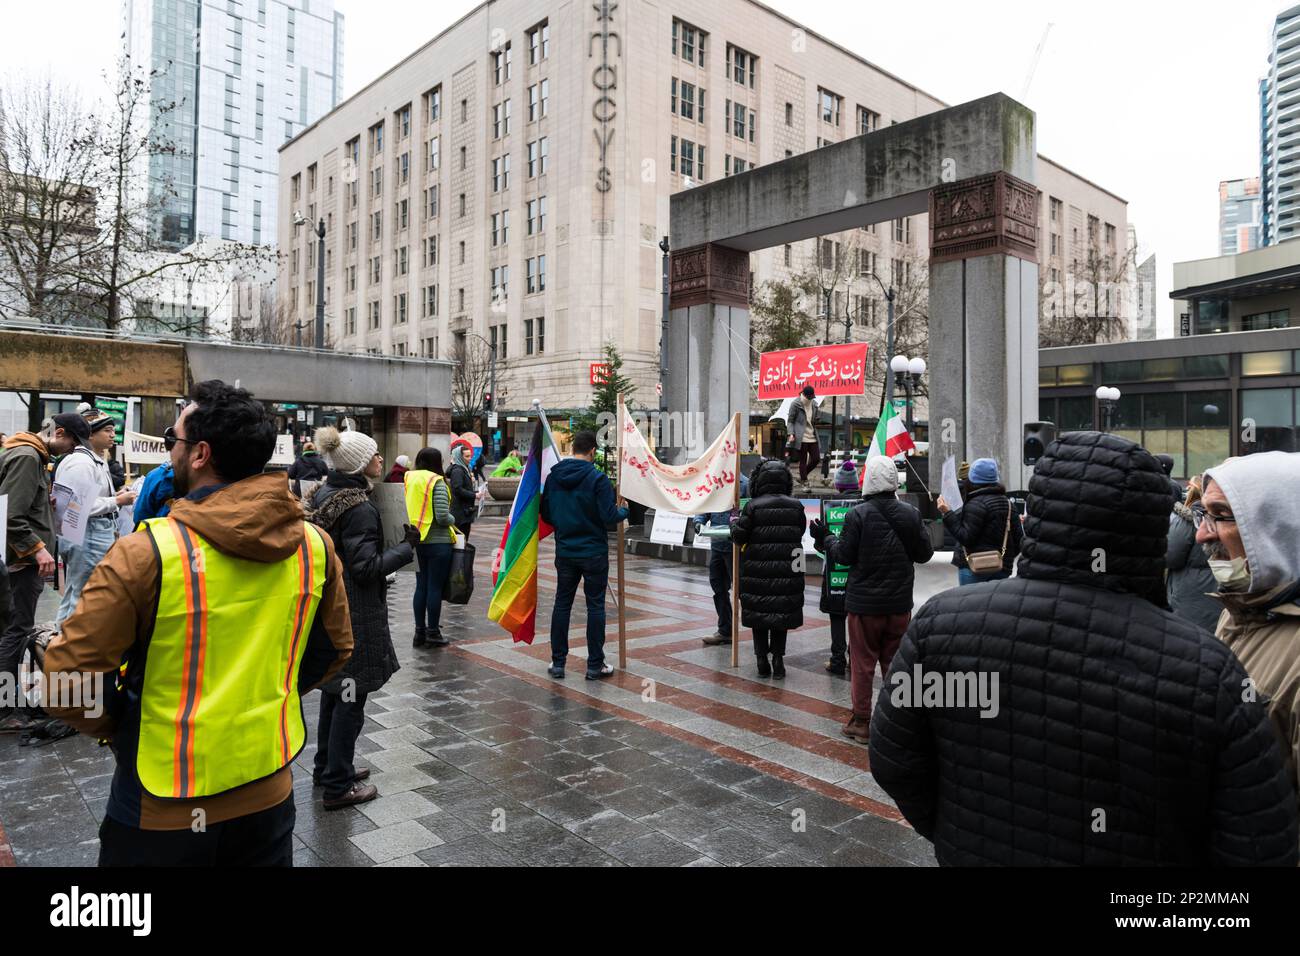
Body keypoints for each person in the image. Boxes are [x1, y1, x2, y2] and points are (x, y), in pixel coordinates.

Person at [867, 431, 1298, 865]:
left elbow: (894, 759)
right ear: (1149, 529)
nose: (1205, 535)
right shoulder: (1207, 669)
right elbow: (1258, 840)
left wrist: (956, 832)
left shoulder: (941, 626)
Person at [41, 381, 354, 865]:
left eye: (174, 438)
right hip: (268, 793)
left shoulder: (146, 553)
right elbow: (334, 651)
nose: (170, 450)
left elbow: (67, 682)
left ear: (201, 453)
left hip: (160, 807)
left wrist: (123, 726)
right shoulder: (313, 545)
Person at [308, 425, 415, 809]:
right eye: (374, 454)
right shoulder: (359, 507)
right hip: (355, 612)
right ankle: (338, 785)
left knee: (335, 692)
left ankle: (328, 767)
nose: (380, 458)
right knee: (351, 699)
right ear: (357, 465)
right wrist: (406, 549)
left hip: (332, 609)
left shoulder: (325, 493)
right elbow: (366, 567)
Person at [1197, 451, 1300, 819]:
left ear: (1281, 525)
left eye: (1221, 516)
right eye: (1203, 514)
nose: (1201, 534)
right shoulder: (1242, 606)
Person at [811, 456, 934, 740]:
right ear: (893, 481)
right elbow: (924, 555)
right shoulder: (910, 513)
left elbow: (843, 555)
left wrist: (826, 537)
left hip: (864, 608)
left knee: (863, 665)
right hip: (899, 606)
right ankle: (898, 719)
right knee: (896, 664)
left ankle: (862, 722)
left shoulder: (858, 514)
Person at [0, 414, 85, 734]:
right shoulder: (27, 456)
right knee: (16, 629)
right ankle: (5, 709)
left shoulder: (27, 453)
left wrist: (43, 504)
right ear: (58, 433)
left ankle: (10, 703)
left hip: (16, 559)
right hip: (20, 561)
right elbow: (10, 515)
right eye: (70, 444)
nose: (69, 452)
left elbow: (18, 504)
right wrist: (37, 548)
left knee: (14, 628)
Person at [540, 430, 627, 680]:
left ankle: (558, 663)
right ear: (592, 451)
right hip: (593, 552)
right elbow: (609, 516)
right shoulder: (598, 479)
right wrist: (624, 512)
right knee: (595, 606)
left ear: (573, 448)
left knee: (562, 603)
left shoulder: (554, 478)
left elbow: (546, 514)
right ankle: (594, 665)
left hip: (565, 550)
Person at [53, 415, 136, 627]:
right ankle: (69, 649)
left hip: (87, 531)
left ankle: (60, 642)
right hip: (88, 532)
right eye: (107, 430)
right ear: (90, 435)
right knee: (84, 594)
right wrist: (117, 500)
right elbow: (79, 506)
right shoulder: (82, 462)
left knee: (75, 590)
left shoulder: (89, 459)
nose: (112, 435)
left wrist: (115, 496)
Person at [731, 459, 806, 679]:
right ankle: (778, 659)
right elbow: (799, 531)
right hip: (787, 570)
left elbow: (739, 536)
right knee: (780, 616)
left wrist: (734, 521)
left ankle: (761, 660)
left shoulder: (752, 506)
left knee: (760, 616)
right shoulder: (796, 506)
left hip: (758, 571)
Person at [937, 457, 1022, 586]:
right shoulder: (1009, 504)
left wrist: (947, 513)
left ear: (972, 478)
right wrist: (1003, 557)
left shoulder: (974, 504)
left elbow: (965, 537)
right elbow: (1019, 540)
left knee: (970, 605)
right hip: (1002, 567)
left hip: (973, 567)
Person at [404, 447, 457, 648]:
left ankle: (419, 633)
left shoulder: (410, 478)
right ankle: (433, 632)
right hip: (438, 542)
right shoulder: (437, 482)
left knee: (421, 587)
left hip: (417, 540)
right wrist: (455, 519)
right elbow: (443, 516)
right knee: (435, 588)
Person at [696, 474, 749, 646]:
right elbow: (705, 508)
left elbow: (749, 512)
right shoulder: (714, 482)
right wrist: (698, 521)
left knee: (742, 590)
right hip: (717, 545)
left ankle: (759, 628)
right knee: (718, 587)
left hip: (736, 546)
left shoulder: (745, 484)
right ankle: (725, 630)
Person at [1165, 475, 1220, 634]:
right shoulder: (1227, 517)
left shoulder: (1186, 519)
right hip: (1217, 590)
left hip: (1189, 595)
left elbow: (1170, 556)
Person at [786, 386, 820, 487]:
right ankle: (805, 482)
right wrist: (791, 433)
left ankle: (802, 476)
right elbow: (790, 421)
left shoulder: (814, 404)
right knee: (803, 460)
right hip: (801, 437)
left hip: (812, 435)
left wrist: (817, 418)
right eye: (809, 397)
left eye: (812, 397)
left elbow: (813, 419)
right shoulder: (795, 404)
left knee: (816, 459)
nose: (810, 399)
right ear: (804, 395)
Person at [448, 437, 478, 541]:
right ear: (459, 457)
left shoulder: (464, 468)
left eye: (470, 455)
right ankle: (459, 557)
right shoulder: (458, 470)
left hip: (465, 511)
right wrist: (474, 495)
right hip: (460, 513)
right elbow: (458, 489)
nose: (470, 458)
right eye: (467, 456)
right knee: (461, 540)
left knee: (463, 539)